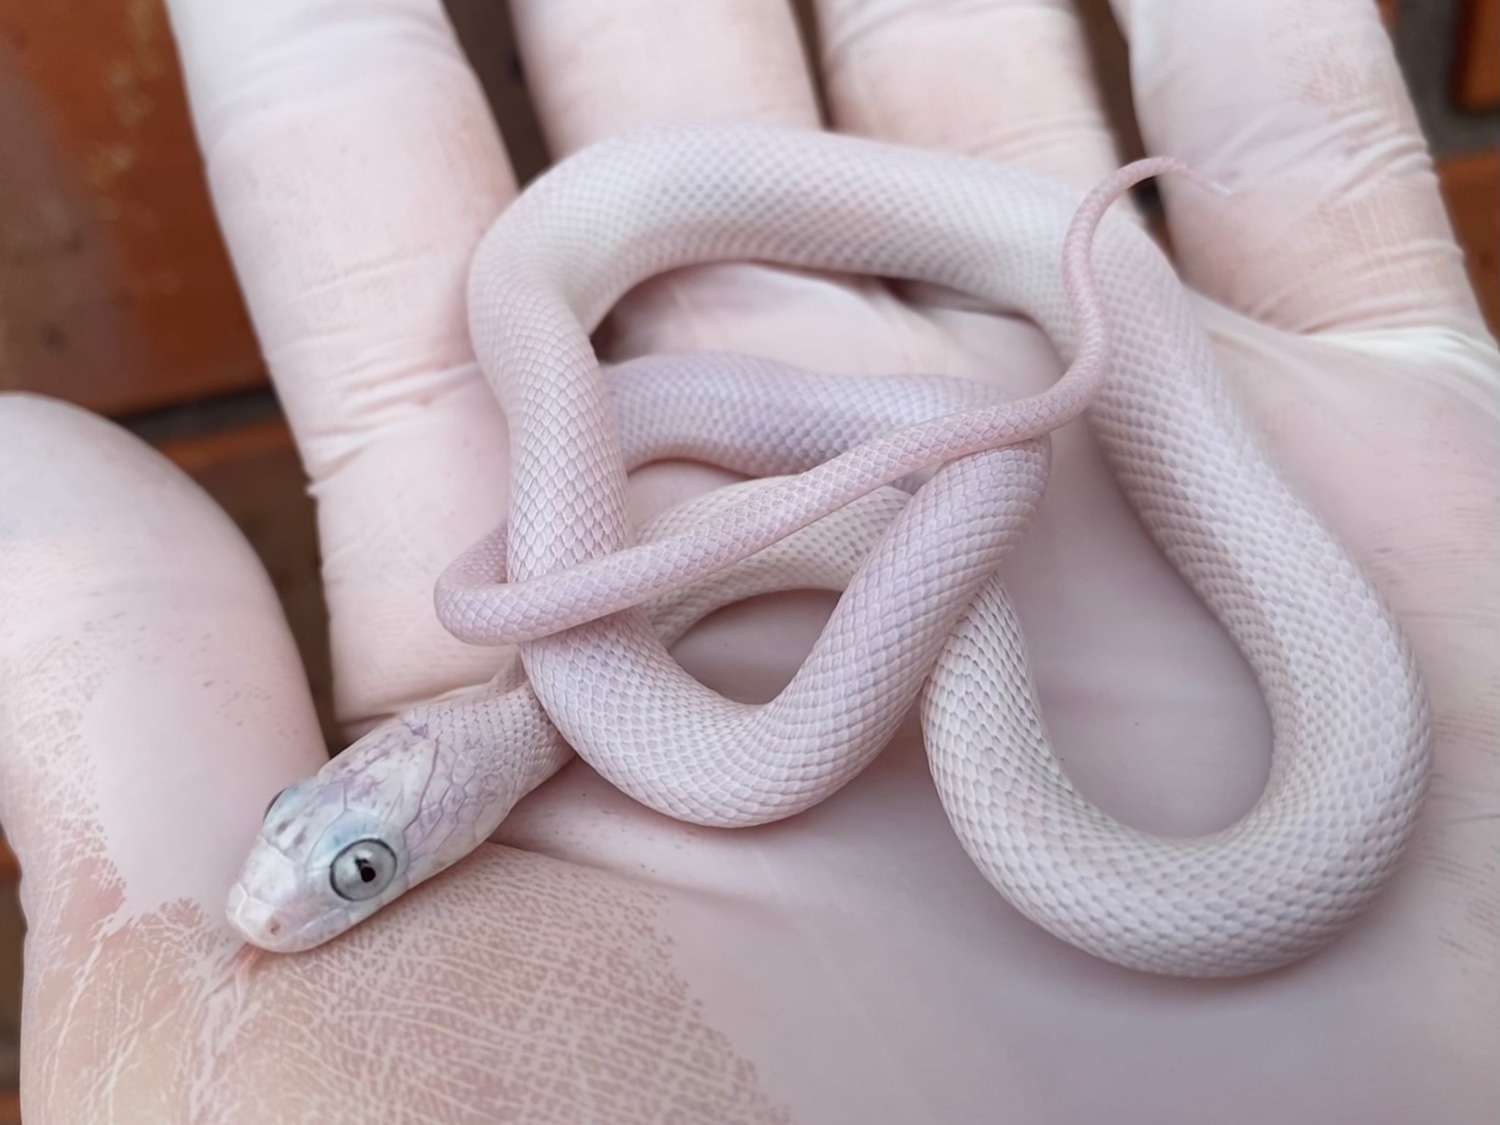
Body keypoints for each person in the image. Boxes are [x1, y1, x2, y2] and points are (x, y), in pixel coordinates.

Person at [1, 0, 1495, 1120]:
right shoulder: (655, 594)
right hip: (822, 487)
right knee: (937, 517)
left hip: (871, 474)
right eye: (358, 861)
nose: (287, 896)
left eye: (342, 850)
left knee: (952, 512)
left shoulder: (646, 587)